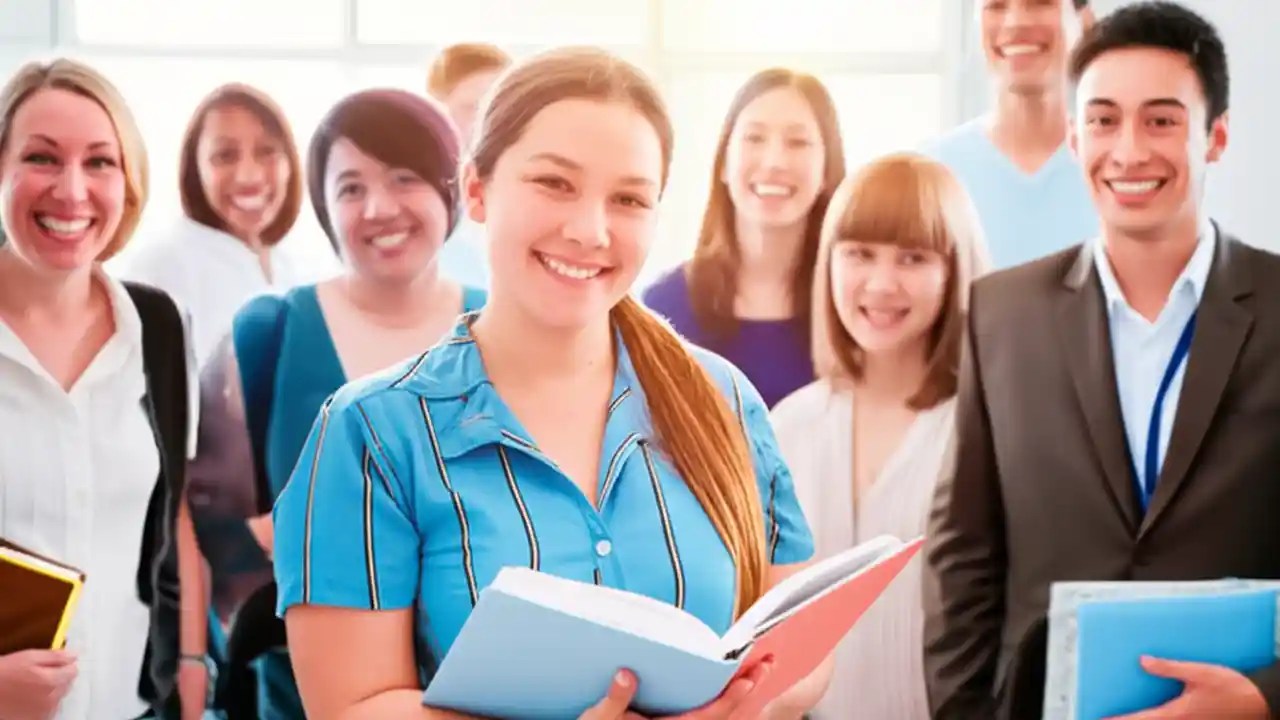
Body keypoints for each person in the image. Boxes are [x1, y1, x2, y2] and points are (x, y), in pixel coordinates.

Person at [272, 46, 833, 719]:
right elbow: (349, 708)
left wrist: (747, 704)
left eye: (628, 198)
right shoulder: (372, 434)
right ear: (476, 189)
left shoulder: (724, 401)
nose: (589, 230)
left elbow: (805, 651)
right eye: (555, 184)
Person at [923, 4, 1280, 719]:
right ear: (1073, 135)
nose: (1129, 151)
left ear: (1215, 137)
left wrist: (1266, 697)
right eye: (1105, 119)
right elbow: (964, 559)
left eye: (1162, 120)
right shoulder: (1003, 314)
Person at [188, 87, 485, 718]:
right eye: (350, 188)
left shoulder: (500, 325)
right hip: (301, 690)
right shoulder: (270, 331)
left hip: (480, 686)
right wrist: (272, 536)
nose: (379, 208)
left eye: (404, 179)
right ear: (323, 207)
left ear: (450, 188)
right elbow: (201, 516)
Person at [0, 58, 206, 720]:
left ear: (130, 182)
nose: (71, 190)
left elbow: (173, 515)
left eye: (99, 162)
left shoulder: (160, 327)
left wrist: (194, 670)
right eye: (41, 157)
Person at [771, 153, 989, 719]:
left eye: (913, 258)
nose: (881, 284)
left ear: (954, 271)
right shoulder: (789, 425)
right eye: (860, 254)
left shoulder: (983, 430)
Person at [642, 69, 846, 408]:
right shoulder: (664, 307)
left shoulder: (853, 308)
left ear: (827, 168)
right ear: (723, 162)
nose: (774, 161)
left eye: (798, 142)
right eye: (754, 138)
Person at [111, 83, 308, 369]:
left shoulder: (300, 269)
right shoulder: (162, 267)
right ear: (196, 169)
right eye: (224, 156)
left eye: (267, 151)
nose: (248, 176)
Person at [923, 0, 1098, 270]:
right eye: (996, 5)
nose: (1016, 22)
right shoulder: (929, 172)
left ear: (1084, 21)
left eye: (1040, 3)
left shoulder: (1121, 168)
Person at [426, 42, 513, 291]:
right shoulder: (420, 199)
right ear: (438, 112)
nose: (490, 121)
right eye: (473, 108)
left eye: (500, 106)